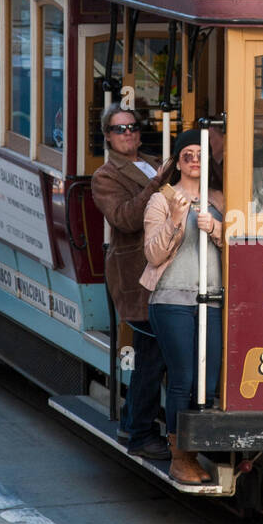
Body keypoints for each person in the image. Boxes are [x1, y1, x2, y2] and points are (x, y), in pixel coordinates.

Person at [142, 129, 224, 485]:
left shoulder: (222, 197)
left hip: (213, 299)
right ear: (177, 161)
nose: (193, 158)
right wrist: (177, 220)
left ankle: (198, 448)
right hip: (171, 299)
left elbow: (245, 247)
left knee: (209, 380)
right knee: (183, 379)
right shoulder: (162, 199)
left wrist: (218, 229)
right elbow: (153, 253)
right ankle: (180, 458)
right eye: (186, 153)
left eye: (200, 152)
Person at [90, 105, 168, 460]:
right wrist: (159, 181)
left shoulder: (155, 160)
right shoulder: (105, 176)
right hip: (137, 277)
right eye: (120, 129)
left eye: (133, 128)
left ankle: (135, 423)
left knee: (159, 354)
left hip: (168, 272)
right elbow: (124, 219)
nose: (128, 134)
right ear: (107, 135)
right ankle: (140, 433)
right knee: (151, 355)